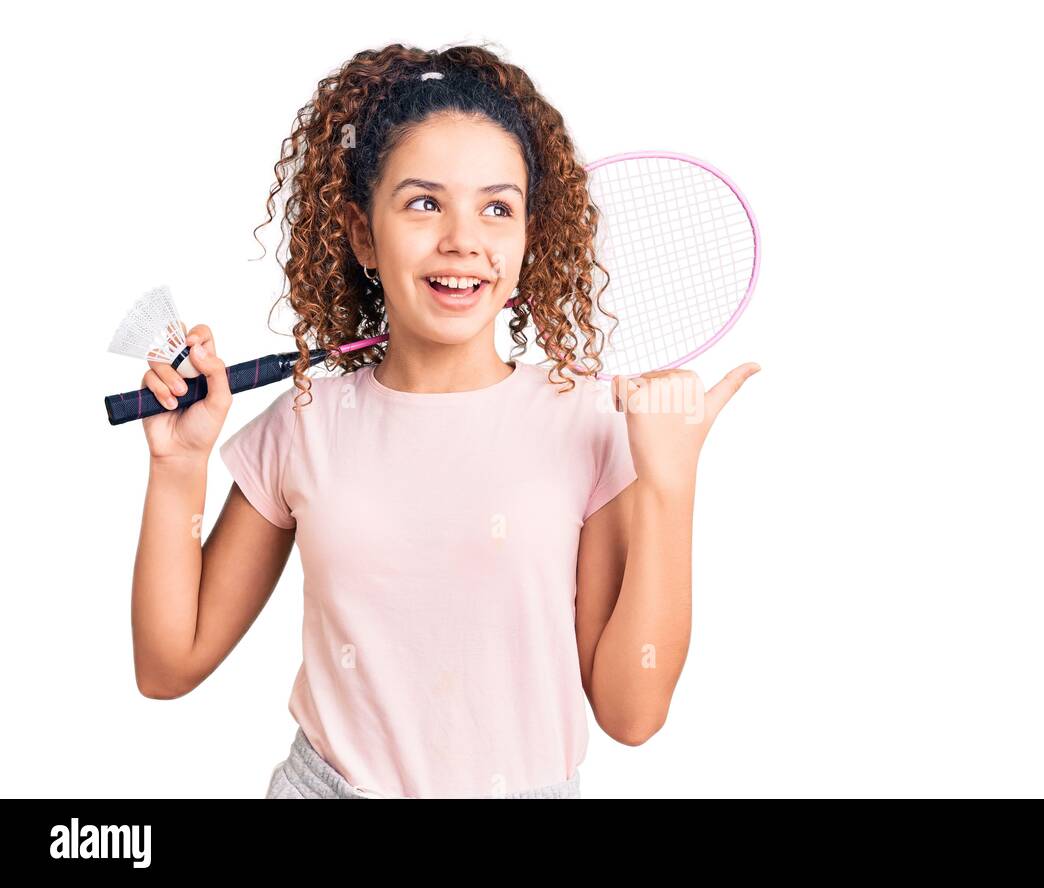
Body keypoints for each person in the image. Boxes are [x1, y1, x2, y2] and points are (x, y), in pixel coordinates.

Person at [129, 42, 760, 798]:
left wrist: (669, 486)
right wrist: (177, 467)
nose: (464, 239)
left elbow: (633, 712)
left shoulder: (591, 425)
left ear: (530, 242)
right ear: (363, 234)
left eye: (498, 207)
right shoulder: (301, 422)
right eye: (425, 202)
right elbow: (169, 667)